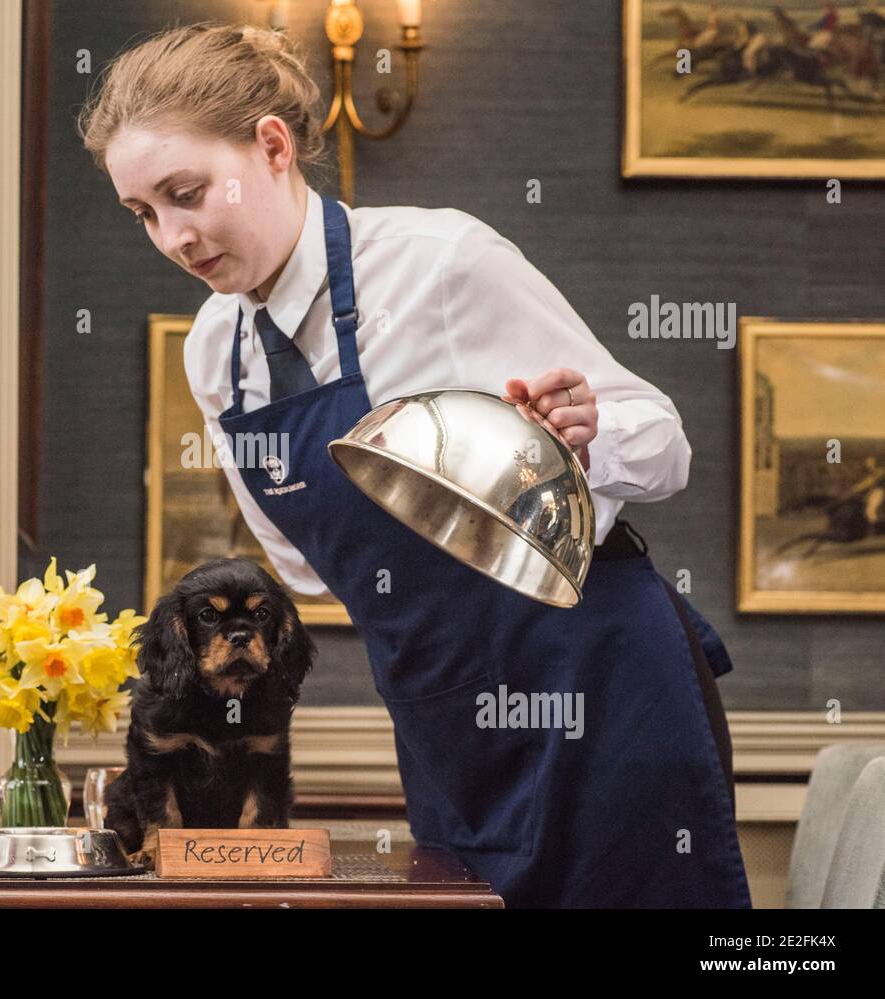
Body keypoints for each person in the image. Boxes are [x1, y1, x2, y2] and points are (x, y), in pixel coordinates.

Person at [77, 21, 751, 908]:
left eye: (187, 192)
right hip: (447, 721)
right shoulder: (217, 355)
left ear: (272, 146)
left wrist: (586, 436)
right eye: (145, 213)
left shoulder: (440, 264)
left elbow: (663, 441)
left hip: (599, 681)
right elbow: (307, 573)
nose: (172, 236)